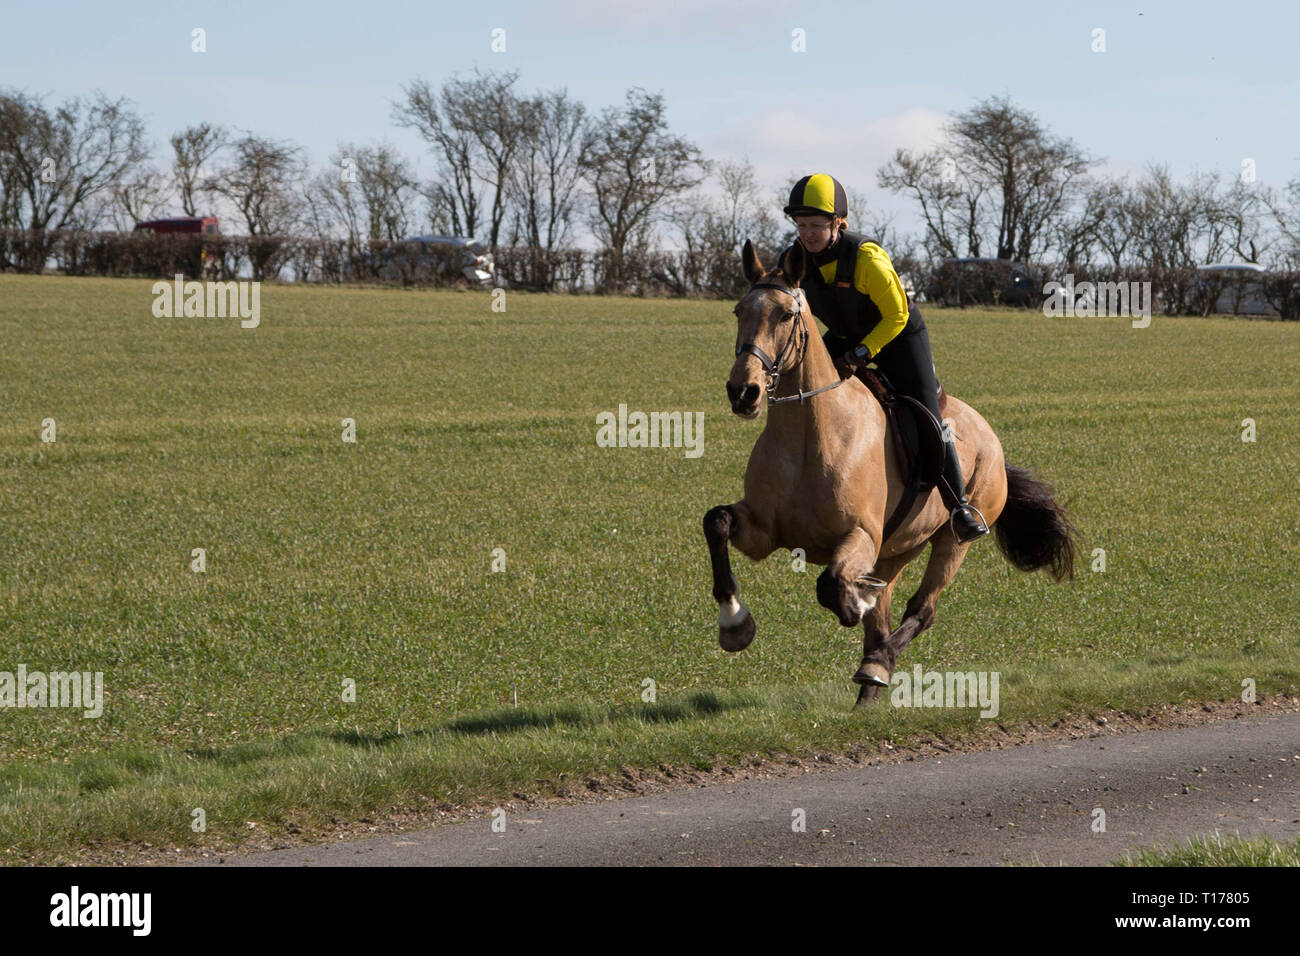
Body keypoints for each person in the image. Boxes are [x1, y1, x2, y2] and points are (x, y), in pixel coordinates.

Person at [777, 173, 989, 544]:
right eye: (801, 225)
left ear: (838, 223)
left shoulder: (867, 259)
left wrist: (860, 354)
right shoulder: (794, 259)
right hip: (847, 332)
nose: (807, 234)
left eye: (815, 225)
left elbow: (896, 316)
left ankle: (960, 506)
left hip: (898, 336)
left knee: (927, 410)